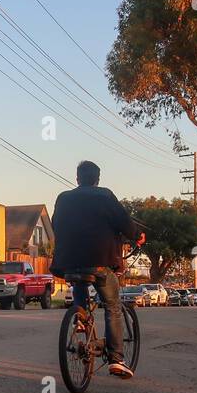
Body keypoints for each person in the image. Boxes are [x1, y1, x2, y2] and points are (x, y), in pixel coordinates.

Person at [50, 160, 144, 379]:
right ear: (97, 179)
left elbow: (55, 223)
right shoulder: (104, 195)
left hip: (68, 262)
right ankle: (117, 359)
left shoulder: (63, 198)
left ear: (77, 178)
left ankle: (80, 317)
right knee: (112, 306)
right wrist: (137, 236)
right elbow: (124, 222)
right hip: (99, 262)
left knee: (79, 280)